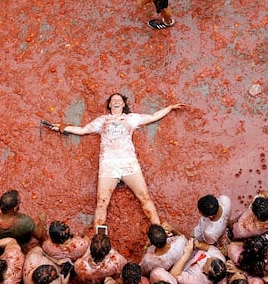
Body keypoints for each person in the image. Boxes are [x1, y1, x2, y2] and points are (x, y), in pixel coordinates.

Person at [48, 93, 184, 229]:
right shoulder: (102, 120)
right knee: (101, 202)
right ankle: (99, 241)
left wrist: (170, 108)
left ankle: (159, 233)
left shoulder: (131, 118)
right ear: (110, 105)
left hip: (128, 162)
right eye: (113, 100)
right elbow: (83, 130)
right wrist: (62, 127)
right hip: (108, 164)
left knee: (144, 196)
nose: (116, 102)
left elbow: (153, 117)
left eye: (119, 100)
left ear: (124, 104)